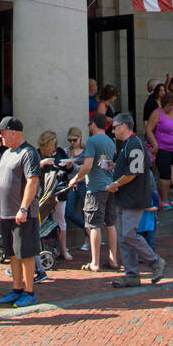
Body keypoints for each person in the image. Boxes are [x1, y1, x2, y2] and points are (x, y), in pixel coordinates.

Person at [109, 113, 167, 287]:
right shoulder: (128, 145)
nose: (113, 131)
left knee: (128, 234)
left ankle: (155, 262)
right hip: (125, 197)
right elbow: (130, 168)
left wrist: (116, 184)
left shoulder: (134, 144)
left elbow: (133, 172)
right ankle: (132, 274)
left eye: (115, 127)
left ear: (124, 126)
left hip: (133, 197)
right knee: (123, 237)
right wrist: (114, 167)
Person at [0, 118, 41, 308]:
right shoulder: (6, 153)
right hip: (5, 213)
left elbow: (32, 181)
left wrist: (23, 208)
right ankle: (17, 289)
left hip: (22, 215)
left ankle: (29, 292)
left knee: (25, 253)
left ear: (13, 133)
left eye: (3, 132)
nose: (0, 136)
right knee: (12, 253)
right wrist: (0, 208)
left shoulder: (28, 153)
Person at [68, 112, 118, 271]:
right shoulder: (110, 142)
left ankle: (95, 262)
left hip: (96, 188)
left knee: (94, 225)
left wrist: (75, 178)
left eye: (90, 124)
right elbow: (106, 165)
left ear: (94, 124)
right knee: (110, 224)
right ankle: (113, 259)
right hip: (109, 186)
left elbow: (88, 165)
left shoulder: (92, 140)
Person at [145, 91, 173, 207]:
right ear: (163, 104)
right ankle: (164, 200)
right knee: (165, 174)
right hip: (162, 147)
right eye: (169, 105)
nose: (171, 107)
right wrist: (155, 144)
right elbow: (149, 130)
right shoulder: (157, 113)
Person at [38, 130, 71, 262]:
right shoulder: (36, 154)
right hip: (43, 193)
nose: (51, 149)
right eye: (48, 146)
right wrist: (42, 163)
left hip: (58, 191)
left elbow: (66, 171)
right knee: (41, 220)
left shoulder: (60, 152)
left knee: (60, 220)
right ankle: (41, 249)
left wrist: (68, 166)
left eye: (53, 145)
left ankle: (64, 250)